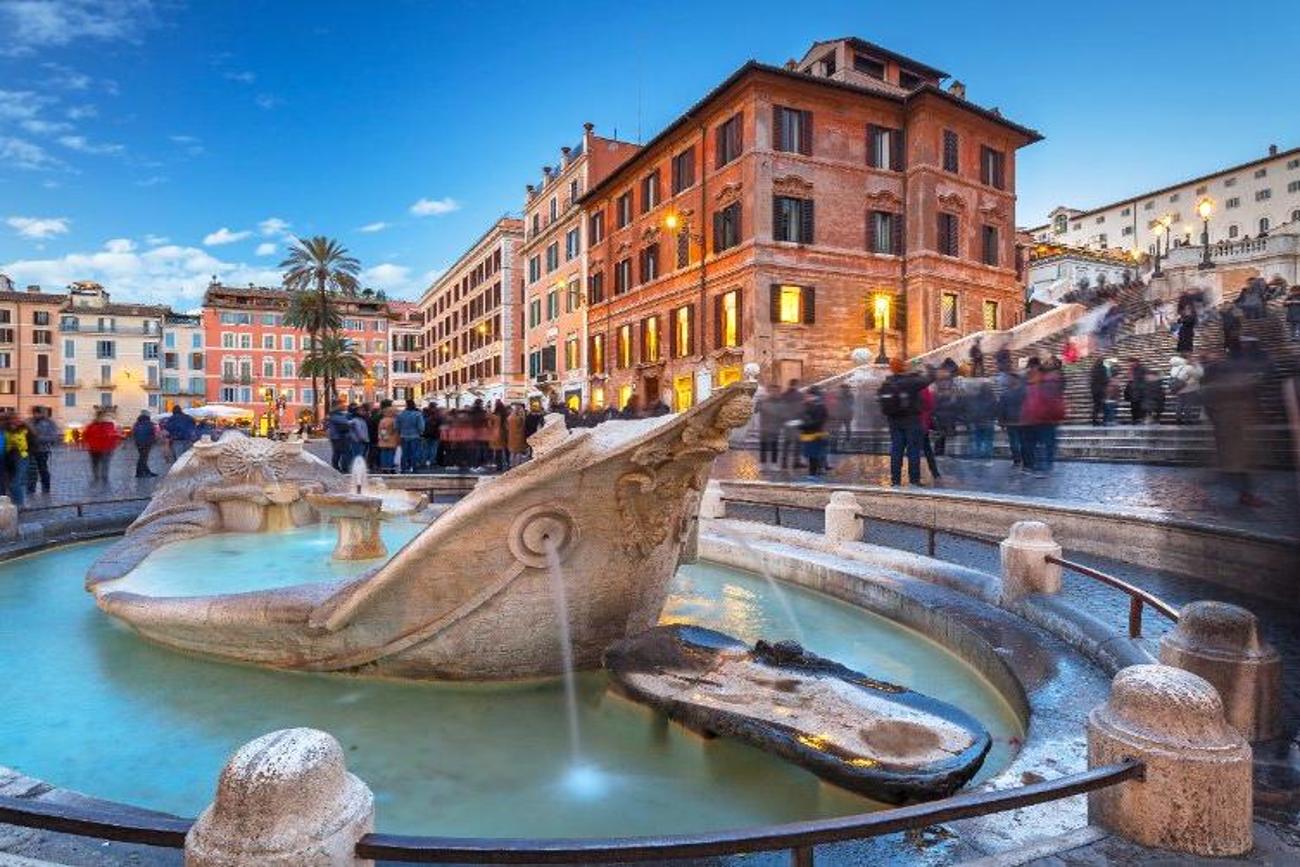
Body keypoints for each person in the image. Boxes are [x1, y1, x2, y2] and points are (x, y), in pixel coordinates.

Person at [877, 358, 931, 486]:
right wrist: (916, 372)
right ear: (903, 366)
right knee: (913, 450)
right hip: (911, 419)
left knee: (896, 450)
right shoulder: (910, 382)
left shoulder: (887, 382)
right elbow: (927, 380)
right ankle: (914, 480)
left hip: (894, 420)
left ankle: (895, 480)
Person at [25, 407, 61, 496]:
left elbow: (53, 437)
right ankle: (30, 489)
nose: (36, 415)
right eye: (35, 413)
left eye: (38, 413)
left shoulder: (50, 423)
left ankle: (46, 488)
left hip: (43, 450)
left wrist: (37, 439)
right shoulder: (29, 421)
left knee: (43, 469)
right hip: (29, 449)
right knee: (31, 470)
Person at [798, 387, 829, 476]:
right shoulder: (811, 405)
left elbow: (817, 422)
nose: (806, 397)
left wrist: (801, 425)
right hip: (811, 434)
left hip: (815, 434)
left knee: (814, 456)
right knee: (813, 456)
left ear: (814, 396)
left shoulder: (819, 407)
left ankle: (814, 474)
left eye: (808, 395)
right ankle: (816, 472)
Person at [83, 410, 118, 487]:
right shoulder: (91, 426)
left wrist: (113, 444)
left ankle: (104, 477)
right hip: (94, 449)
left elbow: (114, 436)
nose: (102, 418)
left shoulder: (110, 425)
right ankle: (96, 477)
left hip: (106, 448)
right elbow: (85, 435)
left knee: (105, 464)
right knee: (95, 464)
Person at [1168, 355, 1203, 425]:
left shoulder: (1176, 367)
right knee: (1188, 405)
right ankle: (1187, 419)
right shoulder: (1190, 368)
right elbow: (1199, 375)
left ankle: (1178, 419)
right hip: (1189, 389)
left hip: (1179, 388)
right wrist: (1197, 365)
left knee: (1179, 404)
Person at [3, 413, 29, 507]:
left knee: (15, 483)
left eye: (18, 419)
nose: (17, 421)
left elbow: (31, 443)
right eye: (14, 419)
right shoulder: (6, 431)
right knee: (10, 483)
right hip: (8, 458)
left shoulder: (25, 430)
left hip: (22, 457)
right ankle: (14, 503)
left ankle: (19, 505)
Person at [777, 380, 804, 469]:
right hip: (796, 420)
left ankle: (784, 462)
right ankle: (796, 462)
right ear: (796, 385)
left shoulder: (784, 395)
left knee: (787, 442)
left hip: (787, 421)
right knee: (797, 442)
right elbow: (801, 408)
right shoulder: (800, 395)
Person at [395, 399, 425, 474]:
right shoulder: (417, 414)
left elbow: (396, 426)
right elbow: (421, 426)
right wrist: (421, 433)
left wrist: (400, 432)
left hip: (403, 435)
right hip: (415, 436)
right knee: (414, 453)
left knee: (404, 453)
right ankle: (414, 468)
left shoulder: (401, 414)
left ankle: (403, 468)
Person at [756, 388, 785, 465]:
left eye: (776, 392)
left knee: (774, 445)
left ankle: (774, 462)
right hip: (765, 428)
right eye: (772, 391)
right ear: (769, 392)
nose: (774, 393)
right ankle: (763, 462)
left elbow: (782, 415)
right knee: (764, 445)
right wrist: (758, 403)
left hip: (775, 428)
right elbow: (756, 410)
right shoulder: (763, 401)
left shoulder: (780, 403)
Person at [326, 400, 353, 472]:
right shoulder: (335, 415)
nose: (344, 406)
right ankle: (341, 468)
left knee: (338, 452)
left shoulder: (336, 414)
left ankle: (337, 467)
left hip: (338, 436)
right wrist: (350, 422)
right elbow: (345, 422)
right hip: (339, 437)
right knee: (342, 452)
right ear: (337, 406)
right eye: (342, 405)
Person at [131, 410, 158, 478]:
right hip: (147, 443)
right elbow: (153, 433)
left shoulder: (137, 423)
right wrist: (153, 440)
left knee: (142, 457)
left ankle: (146, 471)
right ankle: (139, 473)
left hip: (139, 443)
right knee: (143, 458)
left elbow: (134, 433)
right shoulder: (149, 423)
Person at [376, 403, 399, 472]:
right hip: (392, 439)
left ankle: (384, 468)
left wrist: (383, 436)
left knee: (383, 454)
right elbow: (396, 429)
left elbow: (382, 430)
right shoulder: (393, 420)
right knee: (391, 454)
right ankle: (390, 468)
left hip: (382, 440)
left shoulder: (382, 420)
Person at [1089, 357, 1110, 426]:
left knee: (1096, 405)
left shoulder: (1093, 369)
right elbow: (1105, 380)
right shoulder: (1103, 368)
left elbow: (1091, 380)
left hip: (1094, 390)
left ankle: (1094, 420)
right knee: (1103, 405)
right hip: (1101, 390)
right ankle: (1105, 420)